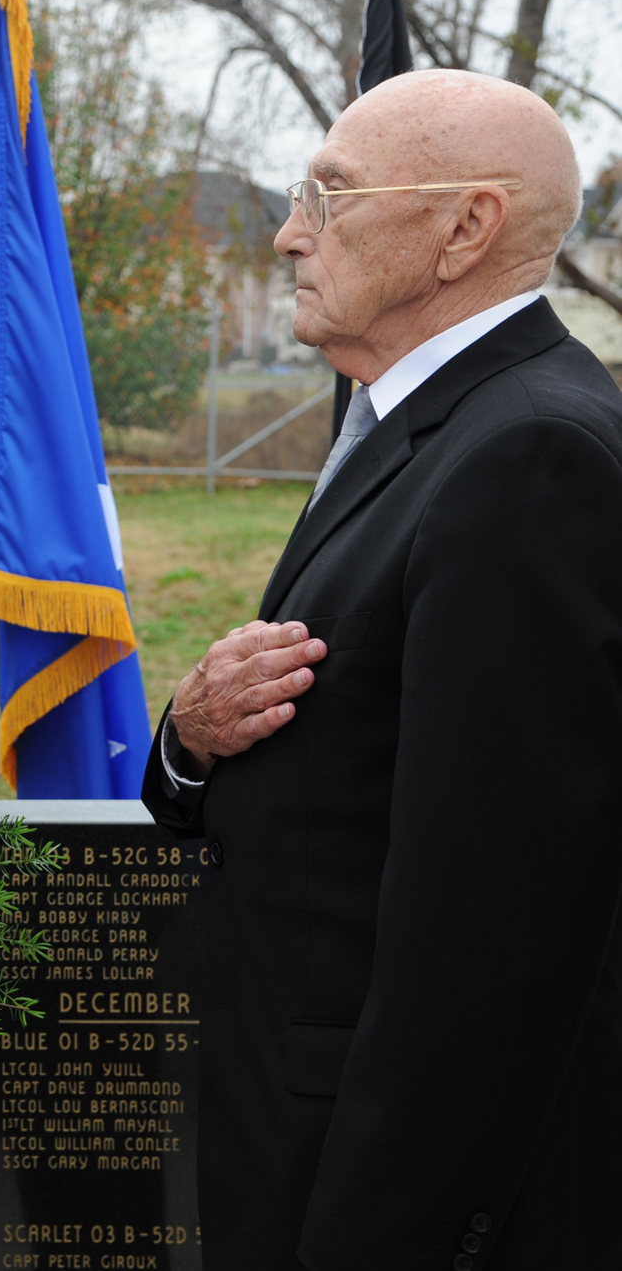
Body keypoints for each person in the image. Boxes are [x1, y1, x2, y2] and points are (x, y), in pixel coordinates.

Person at [143, 69, 622, 1270]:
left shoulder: (530, 455)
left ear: (466, 227)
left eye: (332, 195)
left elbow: (489, 944)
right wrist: (190, 742)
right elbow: (336, 771)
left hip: (374, 1195)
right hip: (285, 1131)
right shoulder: (418, 424)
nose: (290, 231)